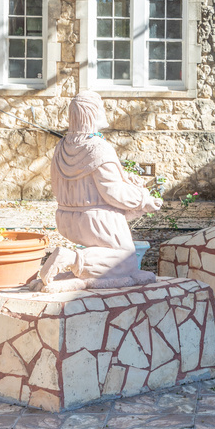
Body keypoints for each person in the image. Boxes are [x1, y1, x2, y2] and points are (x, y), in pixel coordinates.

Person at [33, 91, 161, 292]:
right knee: (127, 260)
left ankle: (73, 271)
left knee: (125, 266)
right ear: (92, 113)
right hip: (97, 219)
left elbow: (59, 185)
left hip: (66, 217)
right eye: (101, 107)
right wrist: (143, 200)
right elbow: (114, 192)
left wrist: (126, 178)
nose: (104, 111)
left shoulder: (62, 146)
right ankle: (73, 258)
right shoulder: (97, 147)